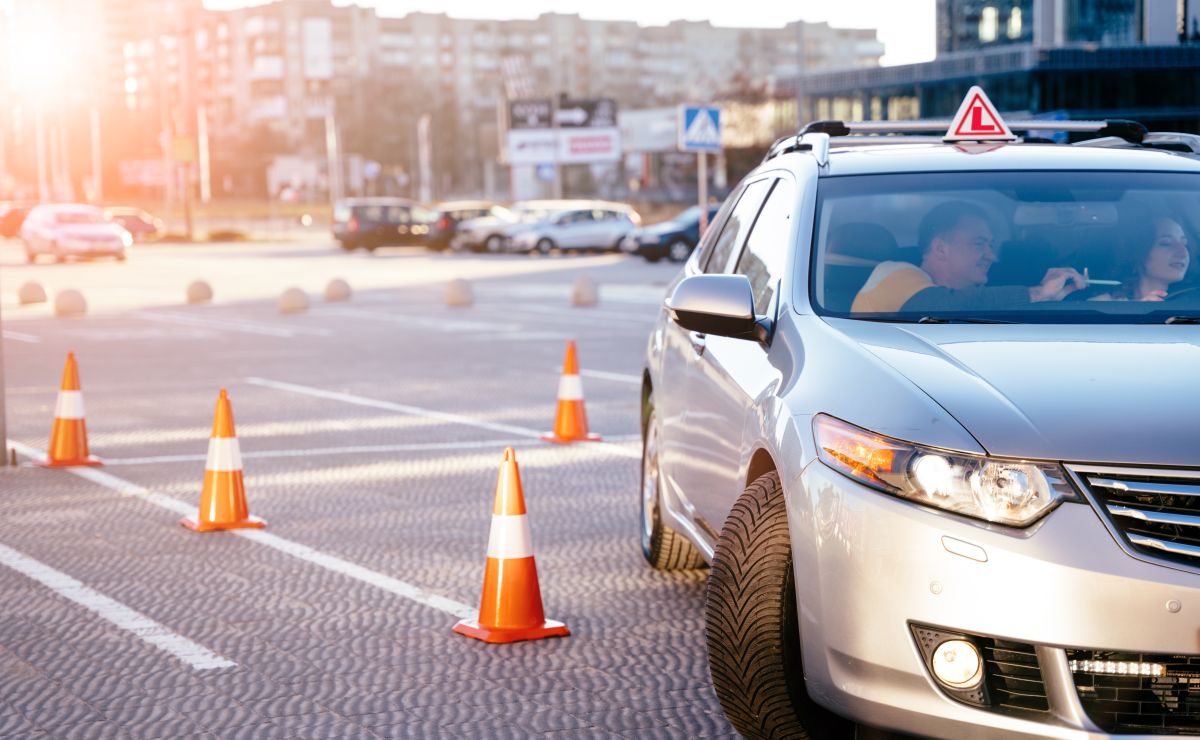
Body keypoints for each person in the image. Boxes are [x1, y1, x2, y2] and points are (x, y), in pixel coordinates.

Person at [851, 201, 1086, 313]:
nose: (991, 256)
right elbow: (945, 304)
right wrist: (1039, 293)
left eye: (991, 245)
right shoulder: (894, 272)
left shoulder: (969, 305)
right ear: (941, 248)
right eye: (979, 244)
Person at [1091, 215, 1190, 302]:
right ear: (1138, 253)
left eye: (1184, 244)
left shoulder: (1189, 306)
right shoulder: (1103, 305)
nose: (1183, 253)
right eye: (1166, 243)